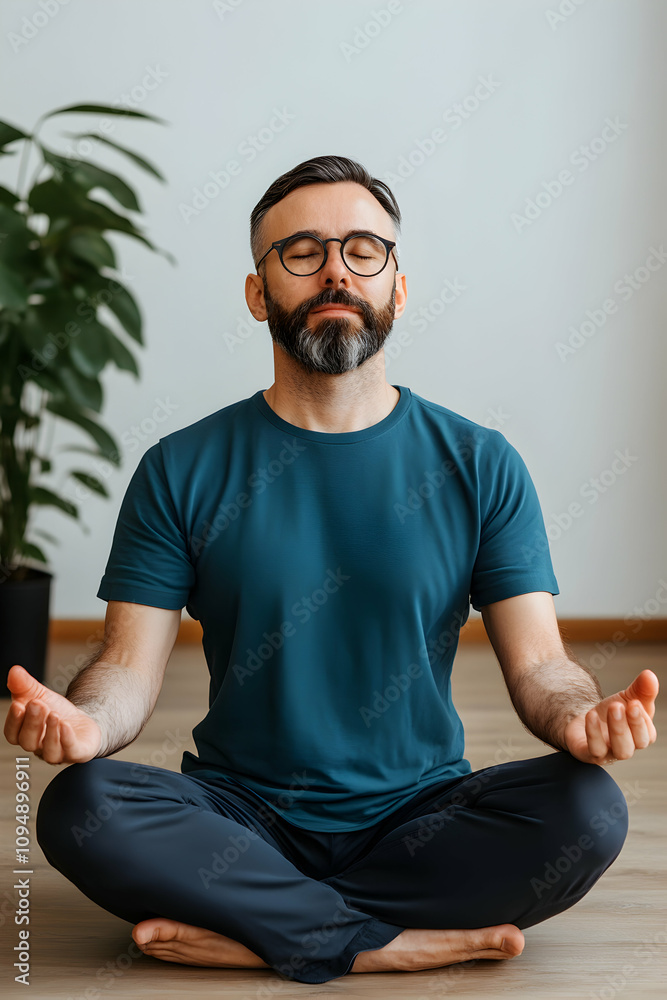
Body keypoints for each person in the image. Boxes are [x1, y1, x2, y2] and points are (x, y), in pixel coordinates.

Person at [4, 155, 659, 987]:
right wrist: (87, 725)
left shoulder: (478, 462)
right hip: (240, 816)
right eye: (302, 251)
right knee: (82, 807)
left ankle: (265, 927)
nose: (335, 271)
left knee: (587, 810)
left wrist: (579, 719)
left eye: (362, 250)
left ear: (398, 286)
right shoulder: (181, 467)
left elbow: (539, 665)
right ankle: (379, 940)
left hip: (419, 814)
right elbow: (128, 670)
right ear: (257, 291)